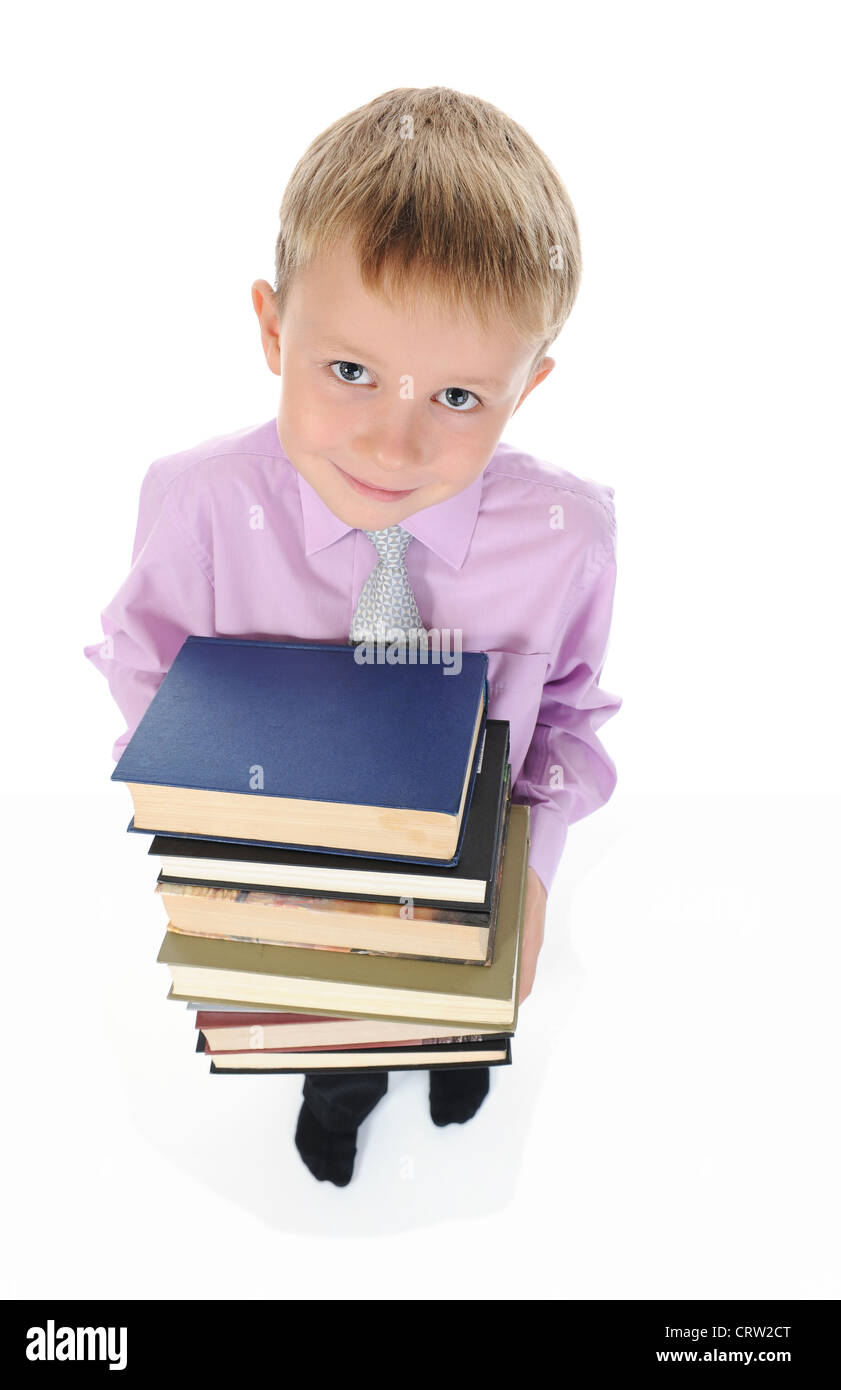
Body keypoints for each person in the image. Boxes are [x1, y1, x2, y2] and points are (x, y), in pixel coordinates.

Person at [84, 85, 622, 1187]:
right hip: (294, 869)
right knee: (337, 1029)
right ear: (273, 330)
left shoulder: (570, 534)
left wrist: (531, 879)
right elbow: (141, 655)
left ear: (526, 388)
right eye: (348, 371)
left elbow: (568, 708)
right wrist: (217, 818)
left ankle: (458, 1063)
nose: (394, 438)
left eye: (461, 394)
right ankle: (342, 1099)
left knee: (461, 1016)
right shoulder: (196, 505)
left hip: (471, 875)